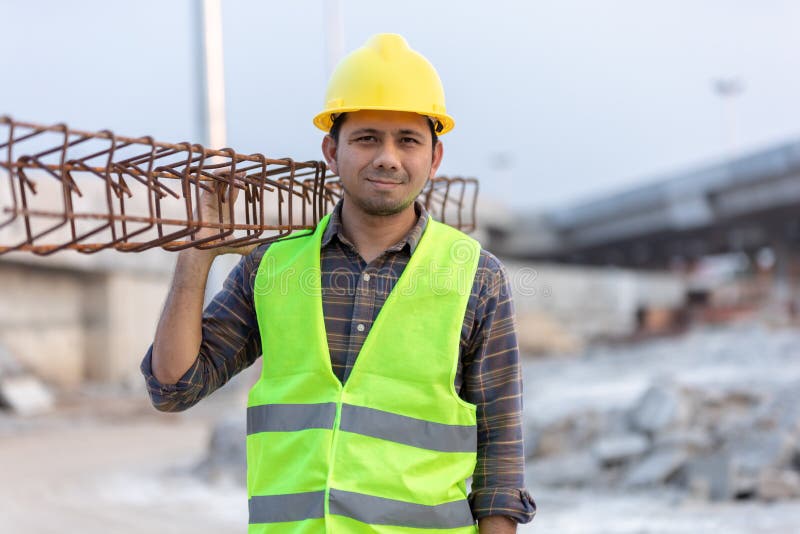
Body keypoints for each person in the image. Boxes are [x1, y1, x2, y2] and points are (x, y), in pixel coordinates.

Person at [141, 33, 536, 533]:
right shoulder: (274, 267)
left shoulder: (475, 276)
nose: (387, 157)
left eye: (407, 140)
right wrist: (197, 252)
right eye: (367, 137)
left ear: (434, 158)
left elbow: (500, 447)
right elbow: (174, 387)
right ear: (332, 150)